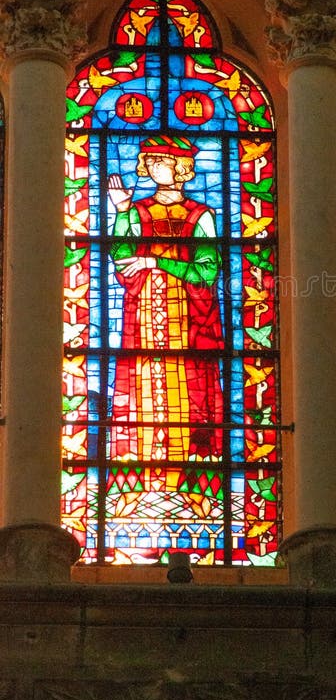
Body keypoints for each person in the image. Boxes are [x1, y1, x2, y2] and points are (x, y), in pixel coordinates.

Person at [108, 134, 223, 464]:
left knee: (188, 384)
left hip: (188, 317)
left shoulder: (200, 215)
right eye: (152, 162)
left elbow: (207, 272)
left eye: (164, 161)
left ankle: (190, 461)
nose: (157, 168)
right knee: (142, 380)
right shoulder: (137, 211)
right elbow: (122, 258)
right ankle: (143, 459)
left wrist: (157, 261)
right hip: (143, 313)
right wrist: (120, 212)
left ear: (182, 168)